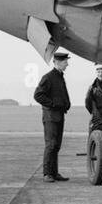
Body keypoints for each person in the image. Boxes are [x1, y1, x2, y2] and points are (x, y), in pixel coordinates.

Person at [33, 50, 72, 182]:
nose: (67, 64)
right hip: (50, 116)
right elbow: (38, 95)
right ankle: (47, 174)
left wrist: (65, 104)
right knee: (51, 144)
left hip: (59, 116)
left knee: (56, 145)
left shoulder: (60, 76)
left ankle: (54, 173)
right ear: (57, 62)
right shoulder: (48, 77)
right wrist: (53, 104)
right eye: (65, 62)